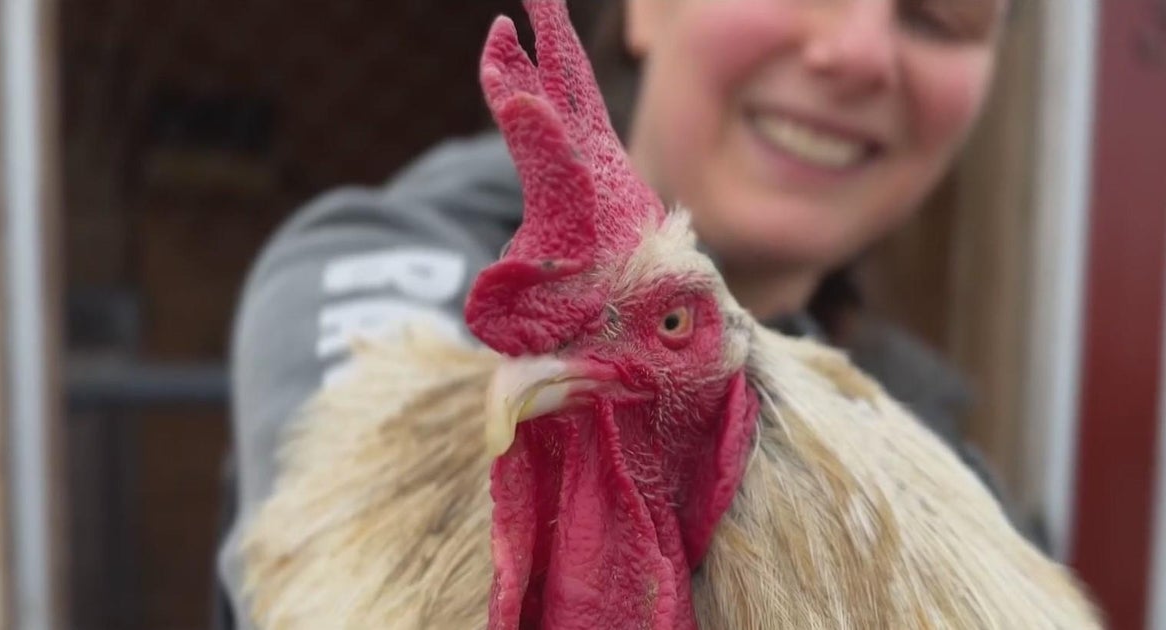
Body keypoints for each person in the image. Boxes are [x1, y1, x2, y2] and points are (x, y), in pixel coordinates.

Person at [214, 1, 1020, 628]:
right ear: (643, 8)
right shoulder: (374, 257)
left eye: (938, 15)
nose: (859, 53)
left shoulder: (937, 444)